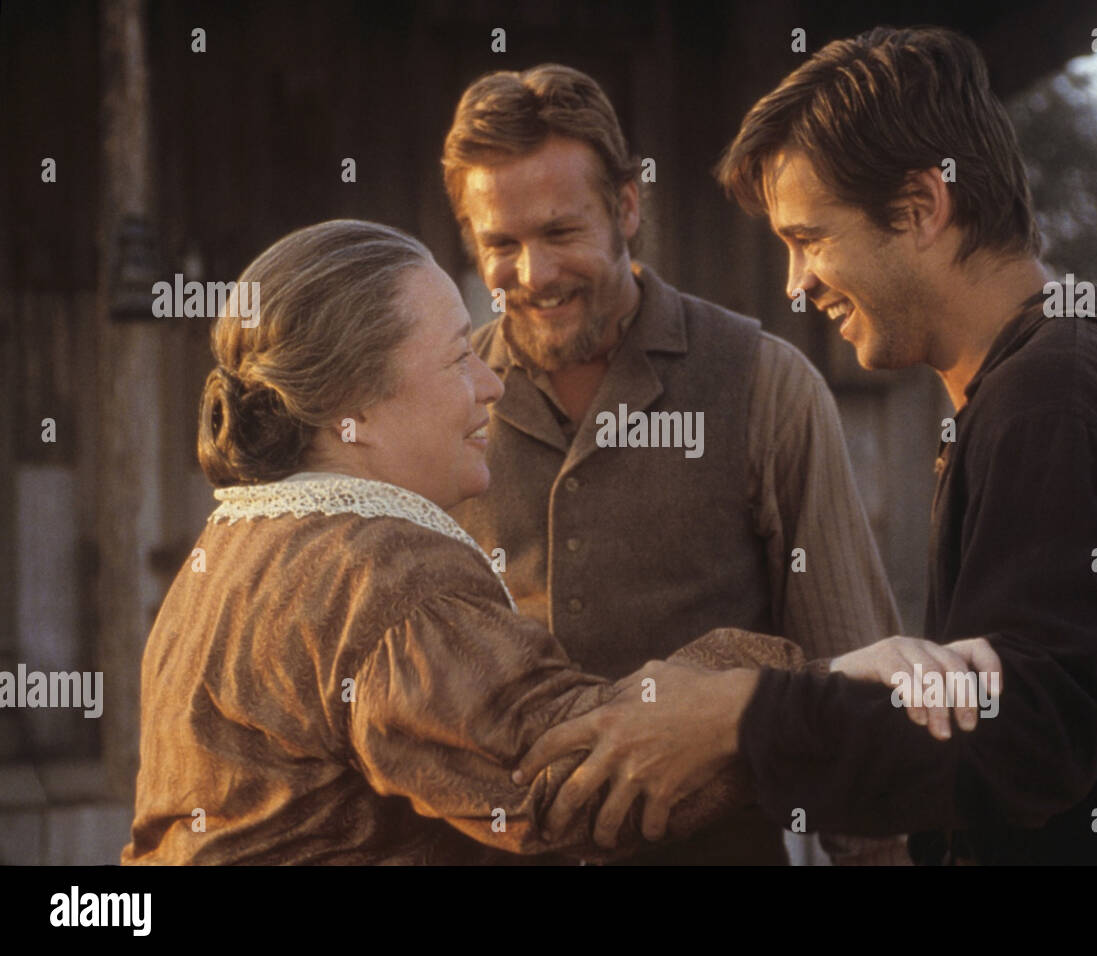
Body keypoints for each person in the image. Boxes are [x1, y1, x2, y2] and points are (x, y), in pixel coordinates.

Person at [514, 26, 1097, 866]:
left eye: (810, 238)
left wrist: (739, 722)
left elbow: (1039, 734)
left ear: (923, 206)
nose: (795, 283)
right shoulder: (1030, 385)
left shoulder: (1055, 398)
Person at [120, 219, 817, 865]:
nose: (490, 385)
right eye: (459, 359)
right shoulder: (385, 574)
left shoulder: (235, 544)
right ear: (352, 405)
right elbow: (575, 784)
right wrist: (809, 690)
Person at [441, 63, 902, 865]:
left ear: (627, 205)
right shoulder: (441, 408)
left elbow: (847, 679)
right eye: (502, 246)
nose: (535, 274)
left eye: (560, 233)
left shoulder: (766, 385)